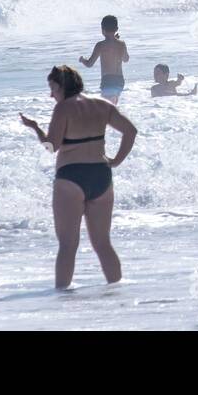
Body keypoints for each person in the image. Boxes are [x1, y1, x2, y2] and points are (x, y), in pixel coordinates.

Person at [19, 65, 137, 289]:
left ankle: (61, 299)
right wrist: (117, 160)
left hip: (71, 178)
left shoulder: (63, 109)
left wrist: (35, 128)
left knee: (67, 245)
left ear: (62, 86)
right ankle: (118, 291)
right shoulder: (102, 105)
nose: (51, 95)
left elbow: (51, 146)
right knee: (102, 243)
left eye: (53, 88)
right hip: (101, 175)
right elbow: (131, 131)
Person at [79, 14, 129, 103]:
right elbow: (126, 59)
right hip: (119, 80)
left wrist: (82, 60)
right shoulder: (121, 44)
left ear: (102, 30)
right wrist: (119, 45)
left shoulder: (100, 45)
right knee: (112, 105)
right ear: (116, 29)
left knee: (106, 107)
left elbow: (90, 64)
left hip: (107, 80)